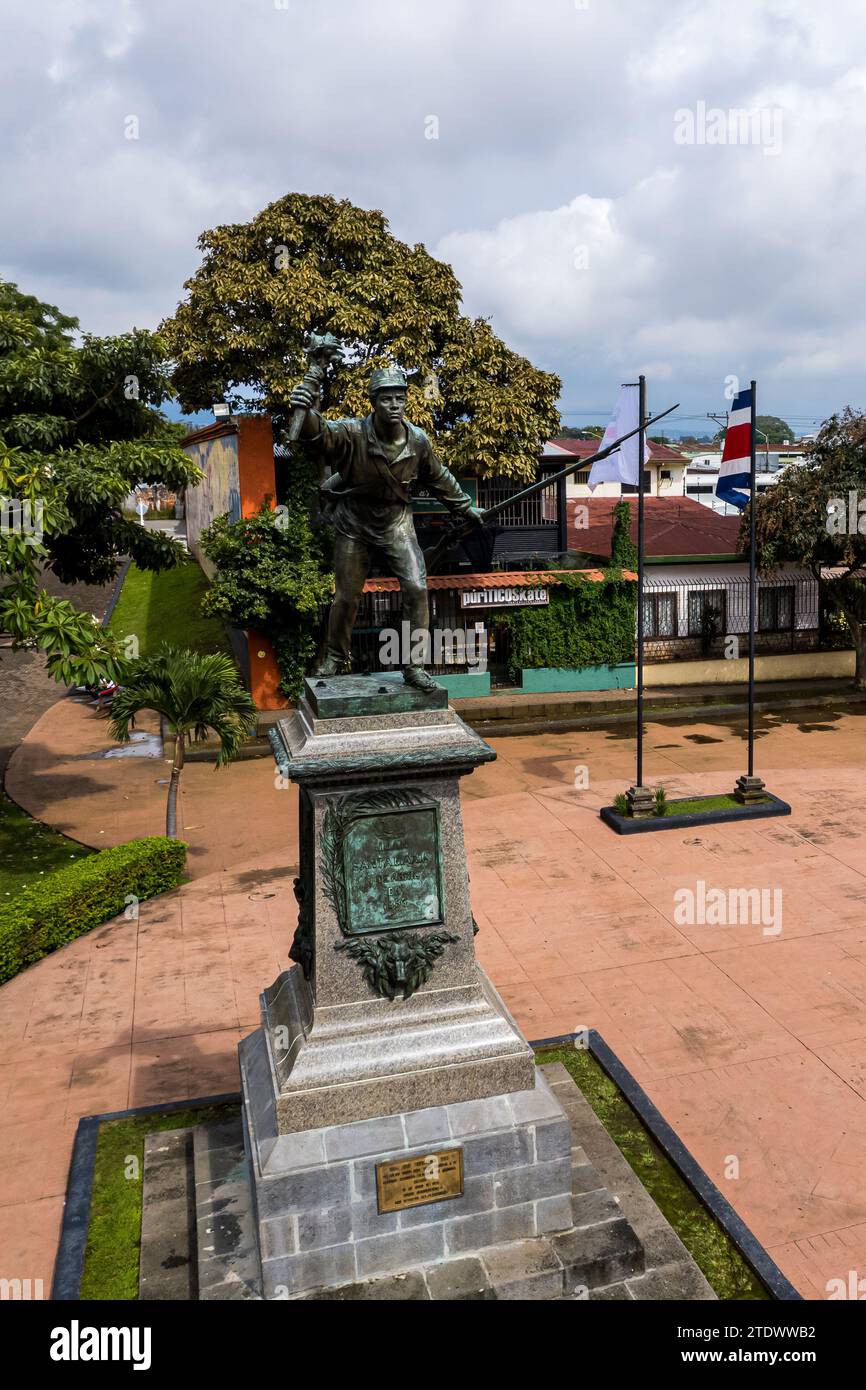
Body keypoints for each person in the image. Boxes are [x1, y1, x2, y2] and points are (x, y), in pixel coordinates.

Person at [290, 365, 484, 689]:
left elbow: (440, 478)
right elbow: (319, 433)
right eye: (386, 399)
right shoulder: (352, 433)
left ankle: (415, 666)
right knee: (347, 597)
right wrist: (306, 408)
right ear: (373, 403)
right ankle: (335, 657)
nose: (394, 405)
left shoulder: (418, 441)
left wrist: (465, 507)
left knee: (417, 588)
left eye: (399, 398)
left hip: (396, 522)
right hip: (354, 522)